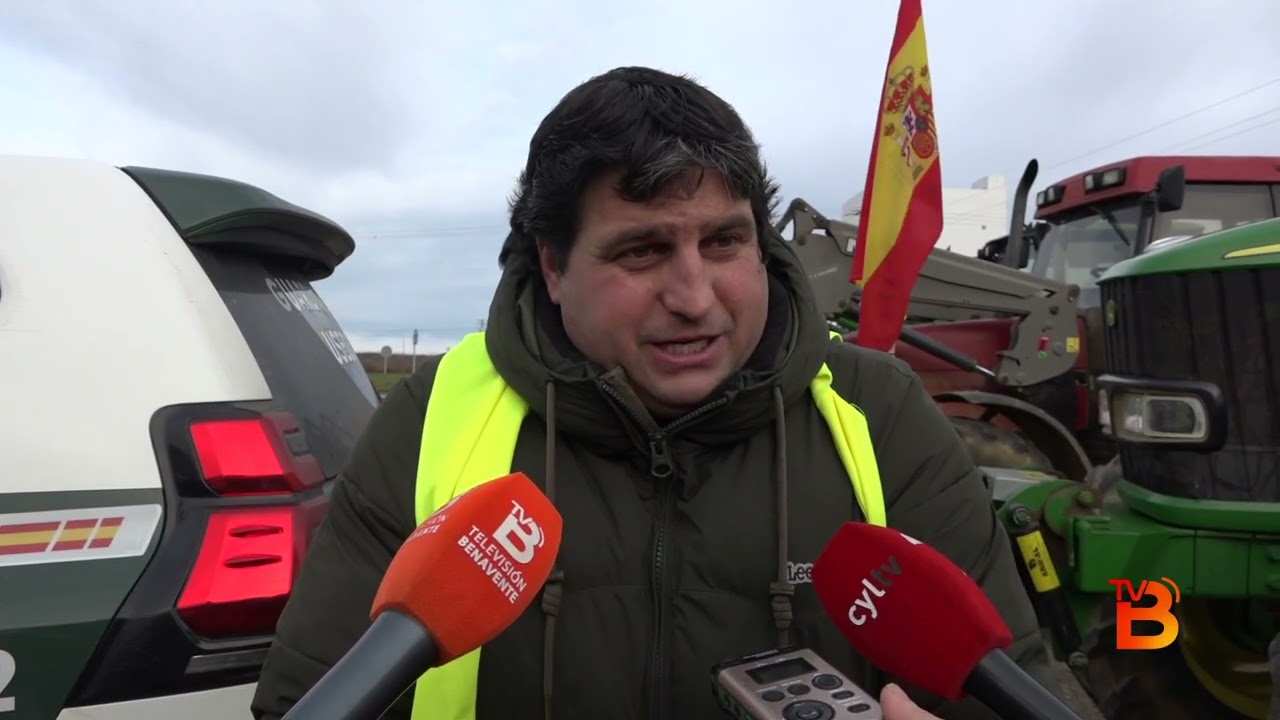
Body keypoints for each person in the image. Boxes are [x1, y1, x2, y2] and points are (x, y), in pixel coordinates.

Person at [251, 66, 1097, 720]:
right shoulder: (434, 417)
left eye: (725, 242)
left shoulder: (879, 414)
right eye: (643, 251)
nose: (695, 294)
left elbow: (1017, 683)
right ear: (552, 266)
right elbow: (306, 695)